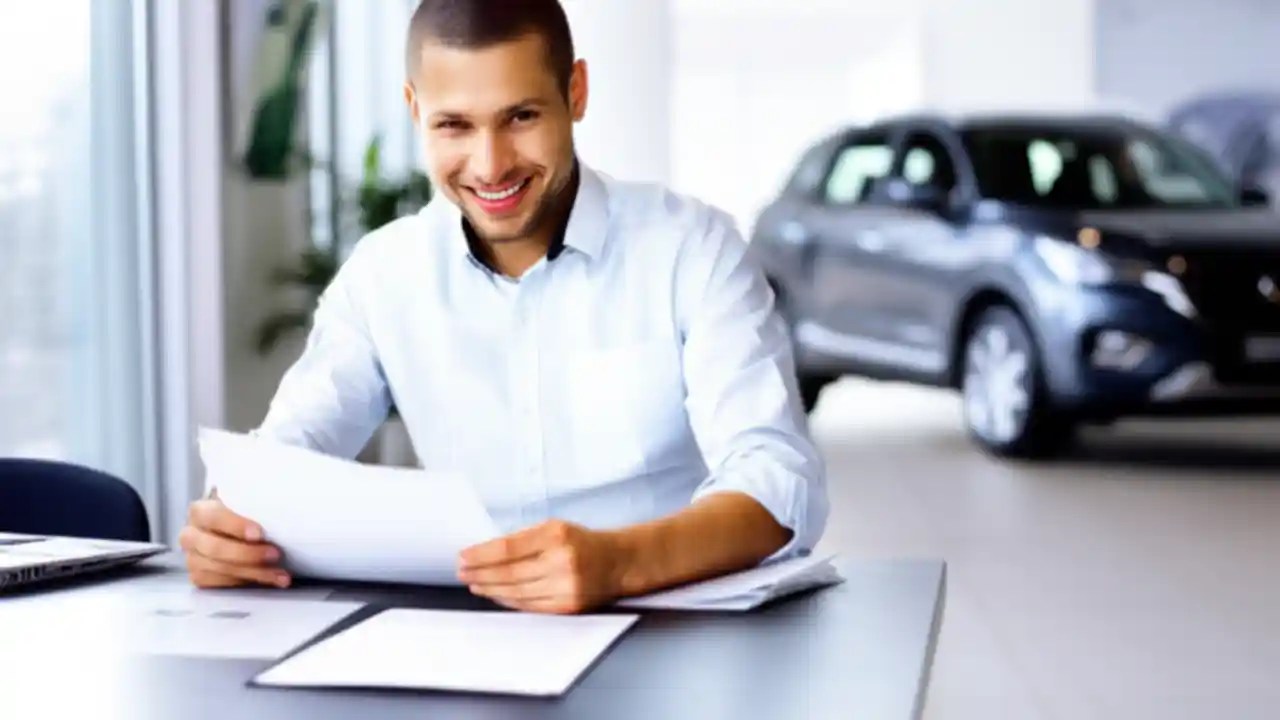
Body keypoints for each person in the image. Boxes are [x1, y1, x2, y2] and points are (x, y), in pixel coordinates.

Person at [179, 0, 828, 614]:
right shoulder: (383, 275)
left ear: (575, 93)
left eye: (521, 117)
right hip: (464, 639)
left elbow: (778, 481)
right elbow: (288, 455)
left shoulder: (692, 249)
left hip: (666, 625)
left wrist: (619, 562)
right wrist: (229, 523)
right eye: (454, 125)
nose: (490, 167)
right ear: (415, 110)